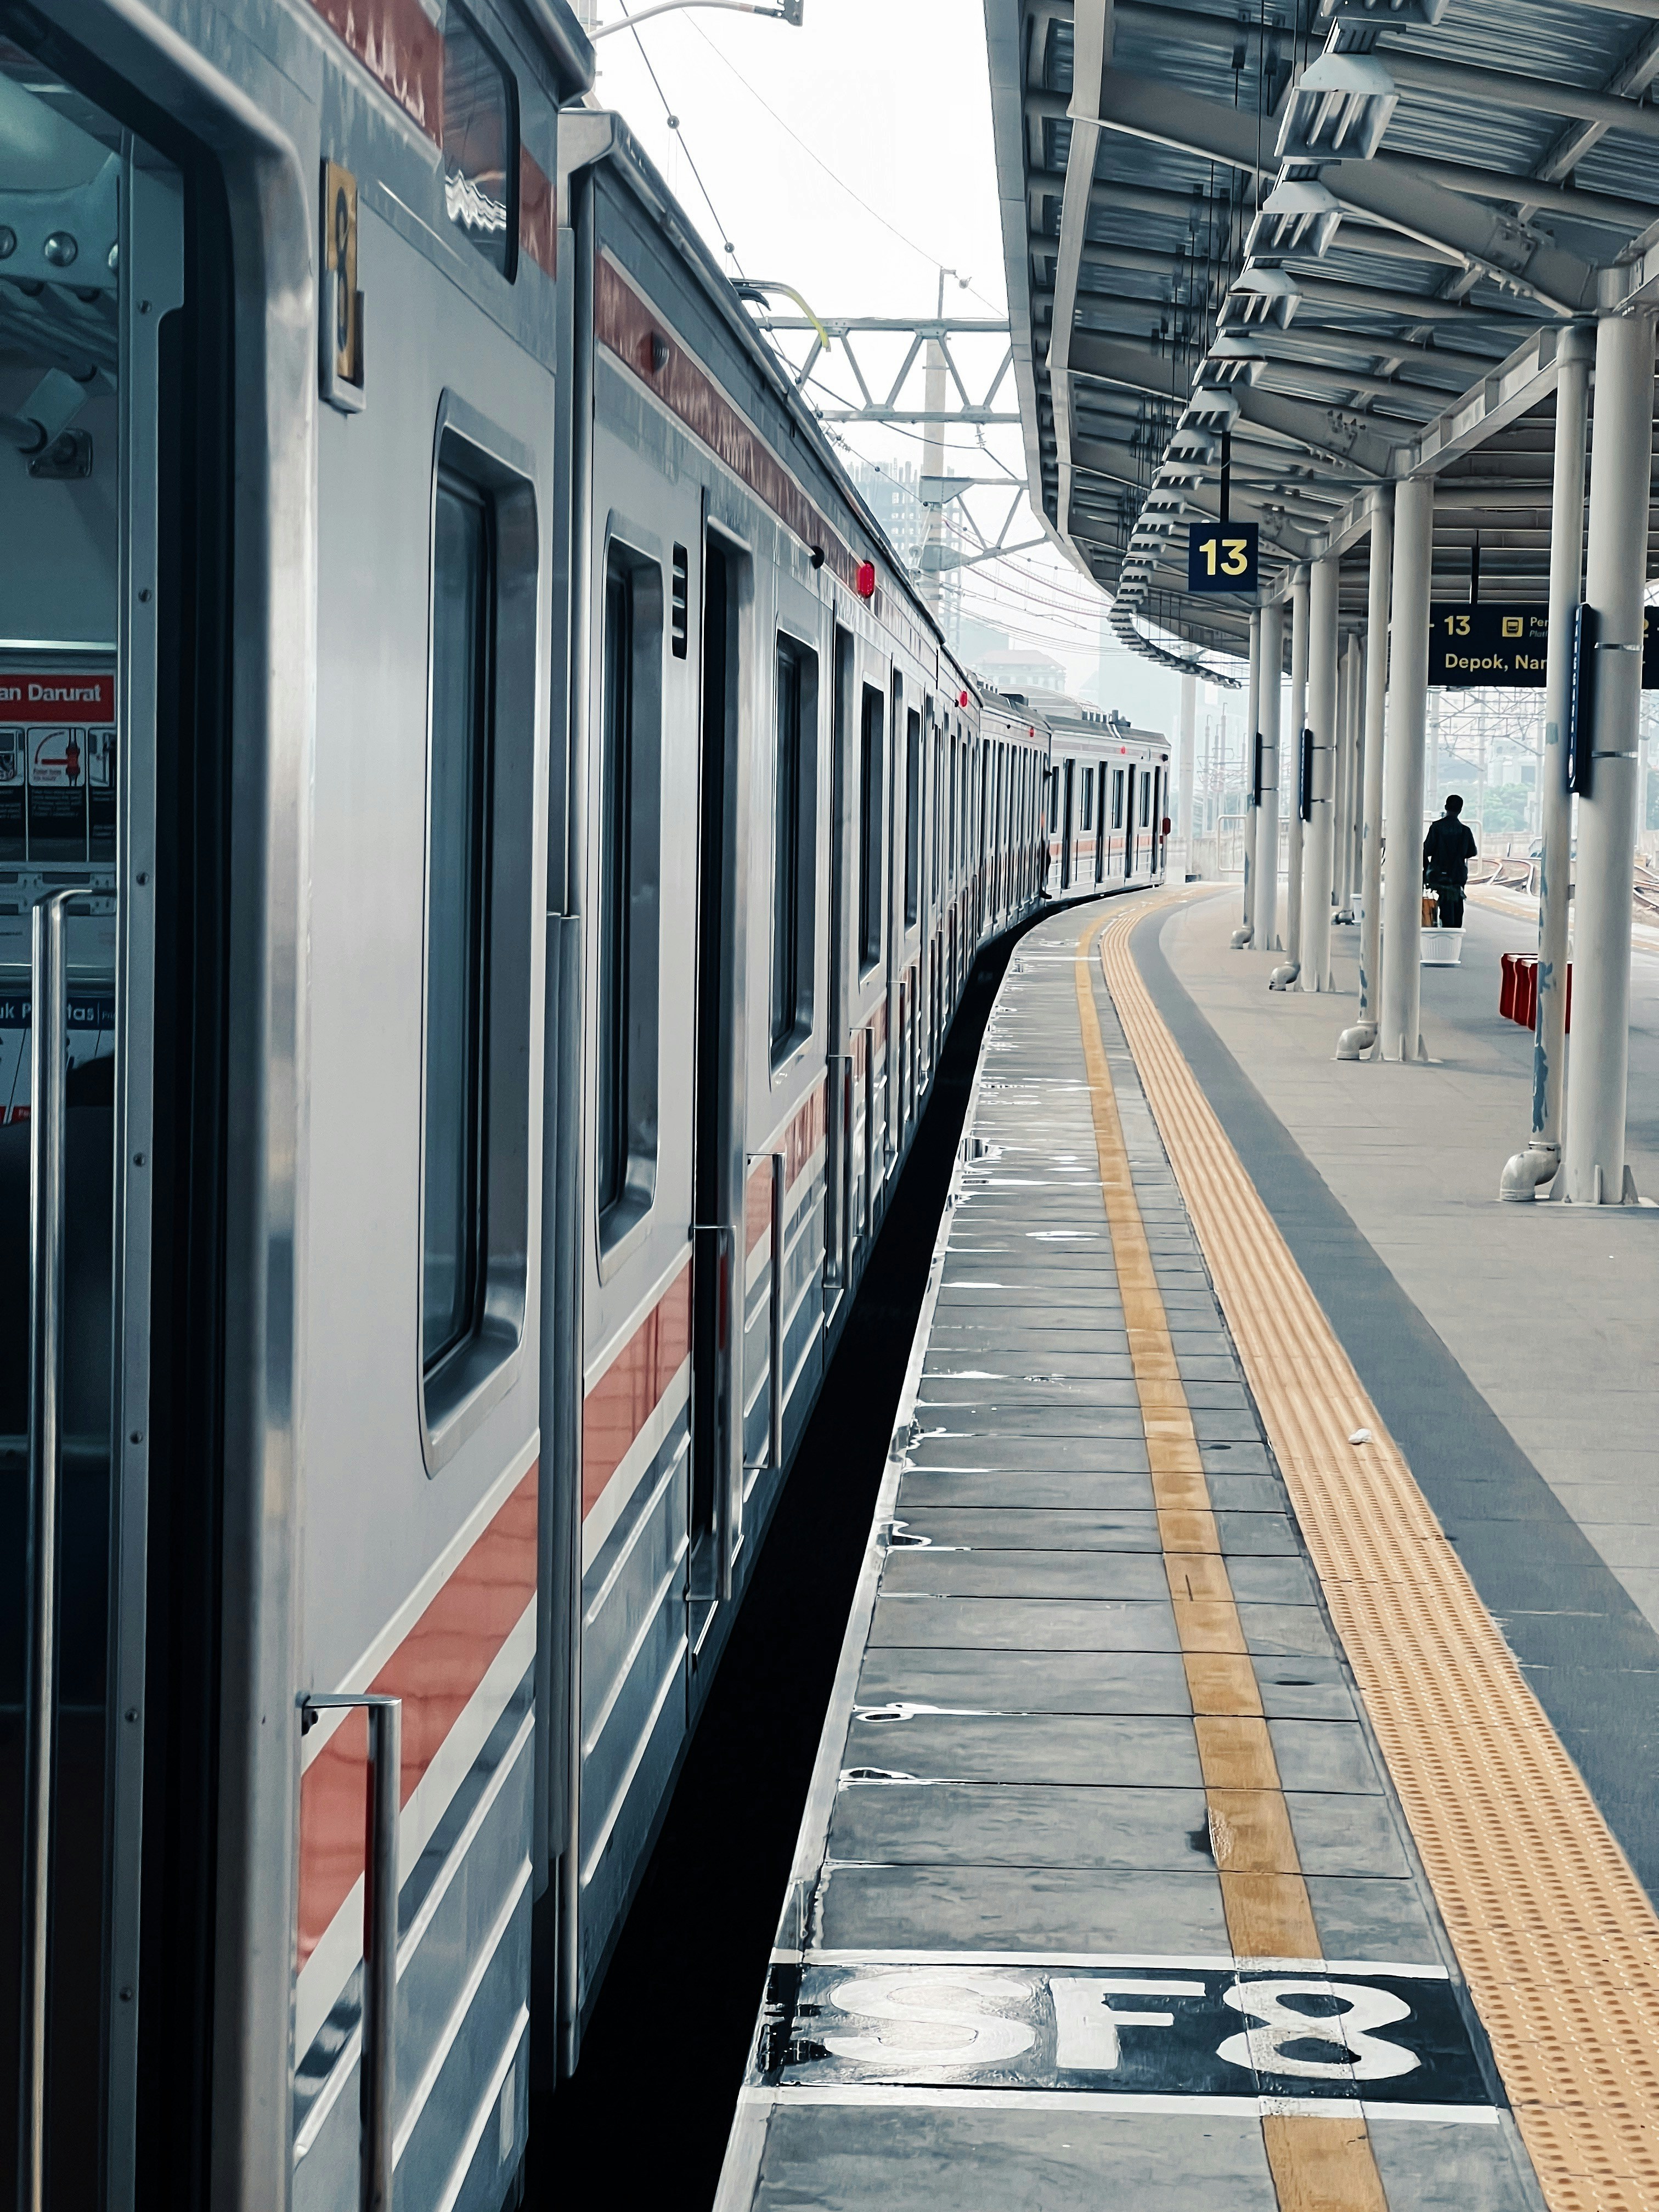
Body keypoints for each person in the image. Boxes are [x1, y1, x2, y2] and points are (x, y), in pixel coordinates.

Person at [1423, 794, 1479, 928]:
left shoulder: (1436, 827)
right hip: (1458, 875)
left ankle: (1444, 925)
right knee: (1458, 902)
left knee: (1443, 899)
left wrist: (1427, 868)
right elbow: (1472, 852)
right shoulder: (1465, 831)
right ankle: (1455, 929)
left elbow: (1427, 850)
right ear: (1460, 810)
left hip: (1437, 875)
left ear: (1446, 807)